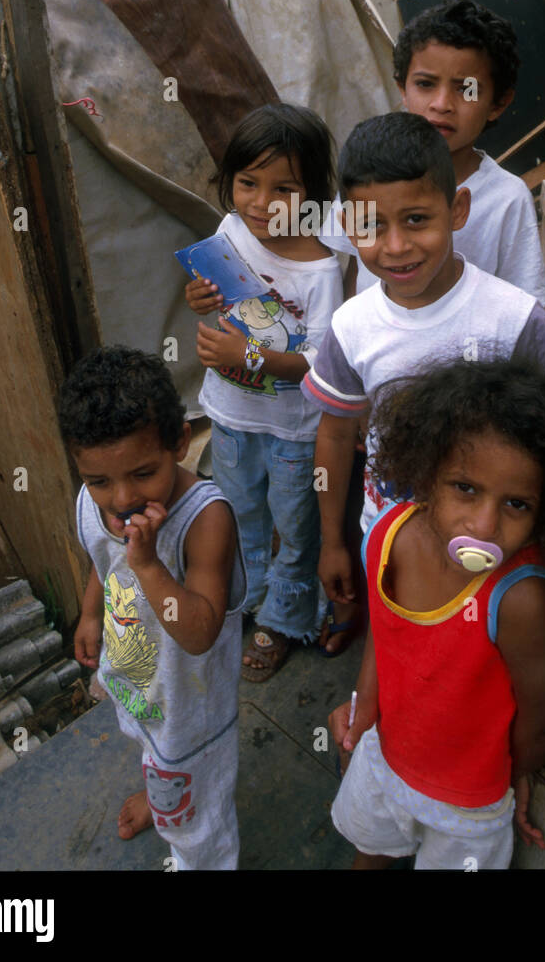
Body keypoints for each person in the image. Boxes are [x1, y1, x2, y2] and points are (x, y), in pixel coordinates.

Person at [303, 112, 545, 644]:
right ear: (348, 226)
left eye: (416, 219)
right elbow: (337, 433)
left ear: (457, 209)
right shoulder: (351, 327)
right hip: (386, 542)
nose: (395, 246)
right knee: (399, 660)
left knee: (479, 674)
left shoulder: (512, 317)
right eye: (372, 226)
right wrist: (333, 541)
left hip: (493, 551)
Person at [329, 358, 545, 869]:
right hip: (382, 759)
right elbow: (386, 631)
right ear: (426, 473)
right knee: (369, 852)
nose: (485, 524)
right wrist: (365, 706)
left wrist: (508, 774)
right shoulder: (387, 536)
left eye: (516, 504)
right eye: (465, 488)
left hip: (467, 806)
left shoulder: (518, 597)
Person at [61, 345, 246, 871]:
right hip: (139, 678)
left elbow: (200, 633)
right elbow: (101, 558)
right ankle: (161, 791)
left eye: (143, 473)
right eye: (99, 481)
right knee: (149, 747)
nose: (121, 498)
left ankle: (198, 855)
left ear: (181, 443)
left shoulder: (205, 520)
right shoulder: (93, 498)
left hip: (190, 702)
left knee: (196, 818)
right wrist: (91, 613)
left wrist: (147, 564)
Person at [184, 103, 343, 680]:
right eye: (248, 182)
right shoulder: (229, 231)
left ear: (312, 194)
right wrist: (197, 300)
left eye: (283, 188)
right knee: (240, 513)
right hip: (230, 414)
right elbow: (214, 297)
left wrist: (246, 355)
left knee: (294, 526)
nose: (260, 202)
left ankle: (283, 618)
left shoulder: (321, 272)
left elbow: (317, 366)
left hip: (293, 433)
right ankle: (246, 601)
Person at [322, 0, 545, 307]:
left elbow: (527, 309)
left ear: (498, 102)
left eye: (465, 89)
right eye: (426, 84)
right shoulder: (368, 174)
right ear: (402, 89)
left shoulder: (507, 199)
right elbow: (352, 274)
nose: (441, 104)